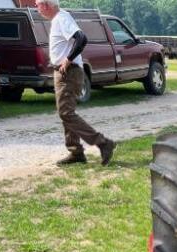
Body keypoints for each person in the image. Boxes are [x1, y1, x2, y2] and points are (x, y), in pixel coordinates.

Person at [34, 0, 115, 165]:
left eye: (38, 5)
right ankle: (76, 152)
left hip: (68, 72)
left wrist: (68, 59)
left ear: (47, 5)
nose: (36, 8)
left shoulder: (62, 18)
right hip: (64, 72)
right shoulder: (58, 19)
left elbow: (81, 38)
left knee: (66, 113)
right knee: (67, 113)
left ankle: (102, 143)